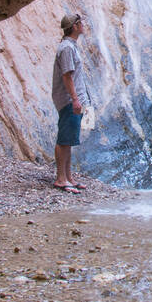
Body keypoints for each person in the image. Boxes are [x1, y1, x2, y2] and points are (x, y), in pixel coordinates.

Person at [52, 12, 91, 192]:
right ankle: (61, 178)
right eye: (80, 23)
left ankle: (68, 176)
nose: (83, 25)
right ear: (74, 26)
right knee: (64, 139)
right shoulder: (67, 48)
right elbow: (67, 75)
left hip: (73, 99)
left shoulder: (70, 46)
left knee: (69, 138)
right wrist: (75, 100)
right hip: (69, 100)